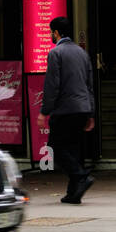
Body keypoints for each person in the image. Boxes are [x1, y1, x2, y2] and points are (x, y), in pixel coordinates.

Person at [40, 16, 96, 204]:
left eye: (51, 32)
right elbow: (89, 85)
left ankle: (81, 176)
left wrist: (45, 110)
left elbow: (52, 85)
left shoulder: (56, 53)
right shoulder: (82, 53)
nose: (50, 35)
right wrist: (90, 112)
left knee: (56, 148)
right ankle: (73, 193)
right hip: (82, 109)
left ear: (56, 33)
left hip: (65, 109)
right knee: (73, 149)